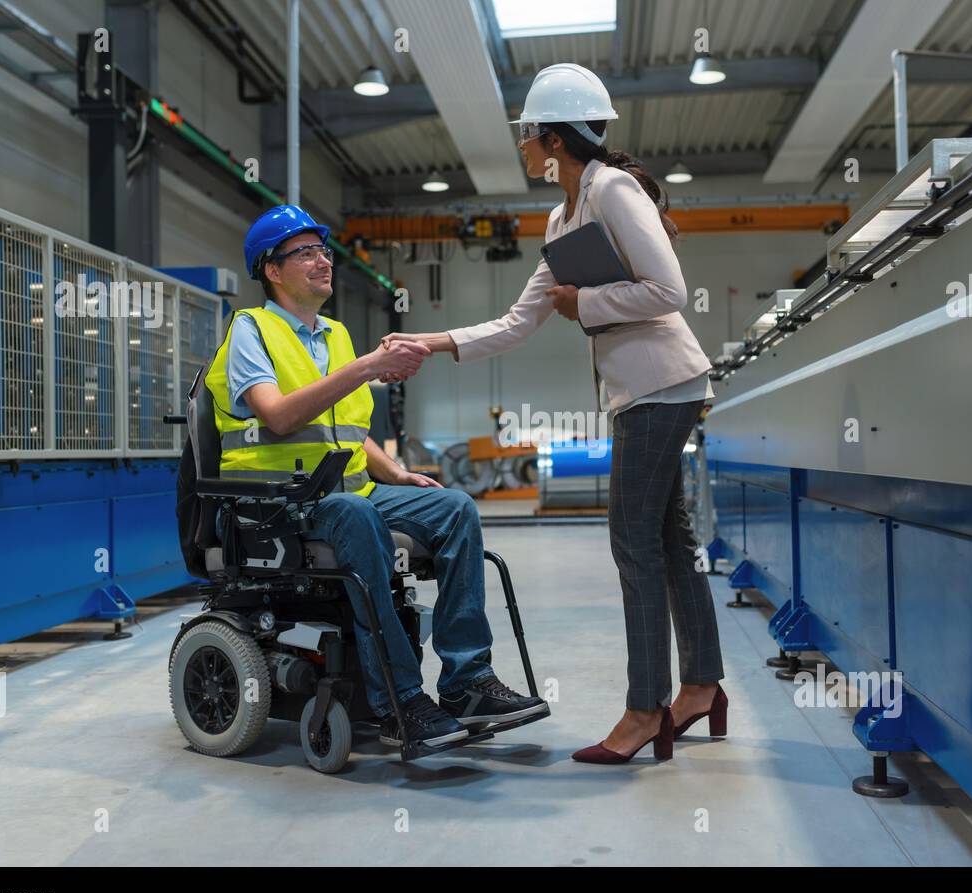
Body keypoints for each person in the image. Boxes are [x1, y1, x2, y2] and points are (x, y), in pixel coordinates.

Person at [382, 64, 727, 765]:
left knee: (633, 542)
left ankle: (643, 709)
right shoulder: (563, 216)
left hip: (662, 386)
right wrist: (434, 341)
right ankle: (699, 687)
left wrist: (588, 304)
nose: (522, 147)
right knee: (666, 539)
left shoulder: (613, 189)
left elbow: (670, 289)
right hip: (646, 390)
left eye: (528, 136)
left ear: (554, 140)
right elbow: (516, 323)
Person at [204, 204, 548, 750]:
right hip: (278, 505)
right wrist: (366, 367)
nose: (323, 260)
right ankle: (400, 701)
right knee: (357, 514)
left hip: (344, 495)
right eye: (306, 252)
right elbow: (279, 416)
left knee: (454, 507)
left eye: (324, 250)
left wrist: (399, 474)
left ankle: (466, 681)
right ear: (272, 269)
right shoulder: (253, 331)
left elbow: (347, 431)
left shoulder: (335, 335)